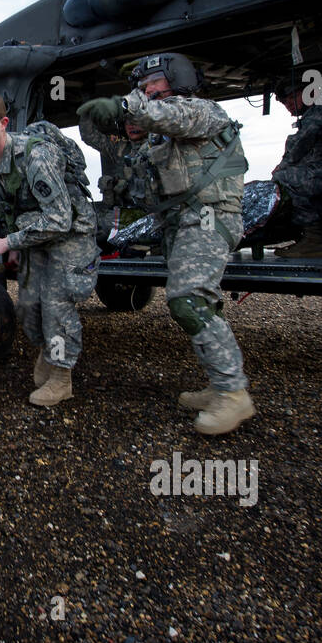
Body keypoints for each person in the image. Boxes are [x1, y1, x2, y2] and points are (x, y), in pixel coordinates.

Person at [78, 52, 256, 435]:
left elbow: (163, 114)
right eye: (141, 86)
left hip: (207, 216)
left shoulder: (201, 112)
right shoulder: (161, 129)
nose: (145, 89)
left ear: (177, 79)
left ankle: (233, 394)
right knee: (198, 303)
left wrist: (127, 103)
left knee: (187, 299)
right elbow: (138, 152)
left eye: (152, 83)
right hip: (180, 220)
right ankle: (220, 384)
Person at [0, 90, 99, 407]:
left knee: (56, 306)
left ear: (3, 123)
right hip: (32, 234)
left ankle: (62, 378)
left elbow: (60, 219)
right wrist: (13, 244)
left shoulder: (36, 157)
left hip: (70, 234)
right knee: (27, 306)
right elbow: (6, 207)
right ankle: (48, 351)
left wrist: (7, 242)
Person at [271, 70, 322, 257]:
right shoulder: (320, 107)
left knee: (287, 178)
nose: (289, 105)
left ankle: (315, 240)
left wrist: (282, 166)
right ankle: (320, 236)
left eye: (292, 98)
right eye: (285, 102)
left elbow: (303, 139)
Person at [78, 99, 143, 246]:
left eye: (137, 122)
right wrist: (87, 112)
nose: (132, 126)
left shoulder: (158, 146)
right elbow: (90, 136)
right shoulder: (120, 148)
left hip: (153, 213)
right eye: (128, 123)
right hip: (123, 213)